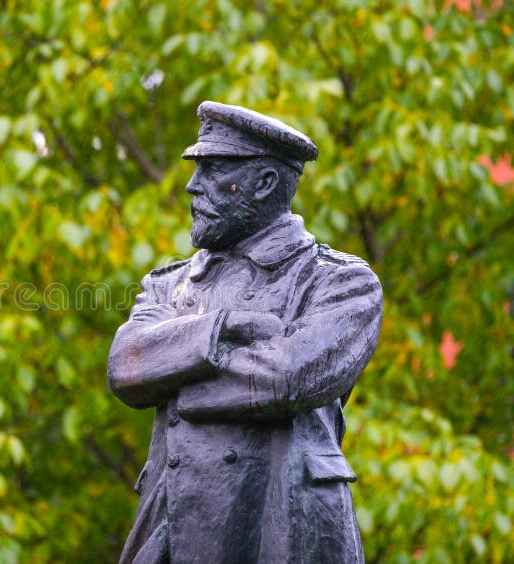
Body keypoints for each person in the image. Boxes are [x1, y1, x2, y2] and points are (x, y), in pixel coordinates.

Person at [108, 101, 383, 563]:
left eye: (212, 170)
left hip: (285, 525)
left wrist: (177, 379)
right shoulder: (168, 284)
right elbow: (126, 364)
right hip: (172, 528)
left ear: (265, 183)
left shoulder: (339, 282)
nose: (193, 187)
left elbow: (287, 375)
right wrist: (222, 327)